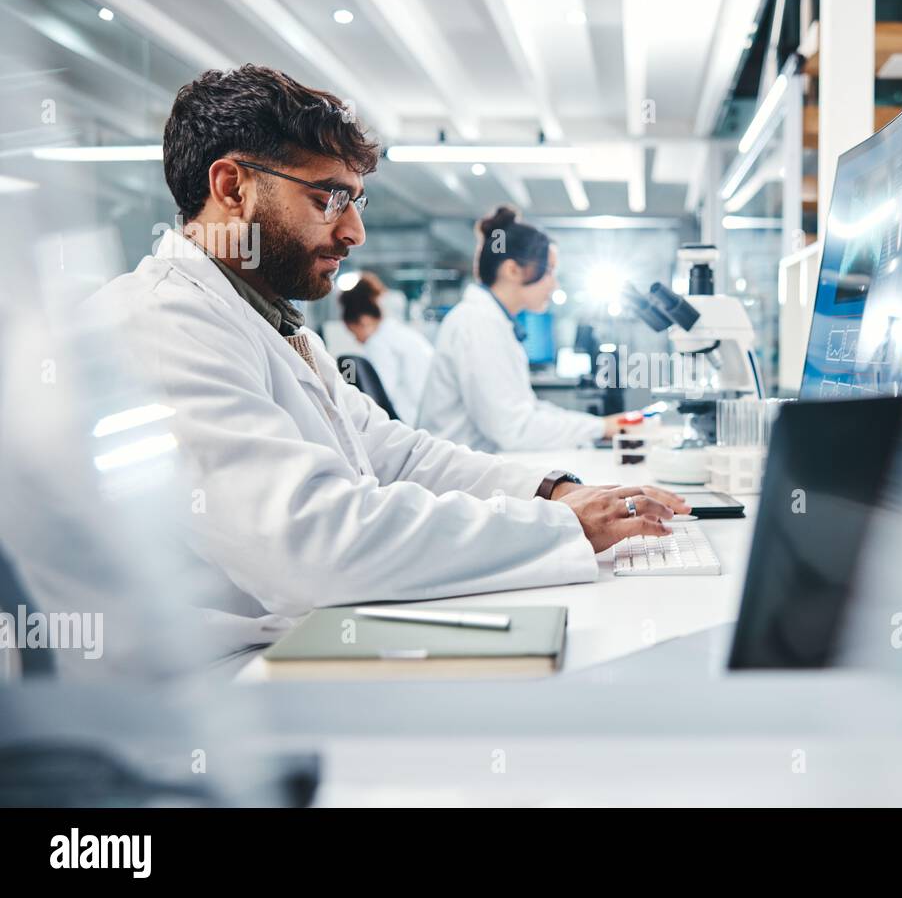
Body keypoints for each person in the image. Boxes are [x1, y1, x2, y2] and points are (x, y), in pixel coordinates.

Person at [82, 65, 687, 661]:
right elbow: (311, 547)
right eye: (330, 198)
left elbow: (398, 455)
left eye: (357, 200)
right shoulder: (161, 323)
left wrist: (552, 492)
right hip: (209, 687)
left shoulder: (269, 320)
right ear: (232, 187)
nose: (355, 231)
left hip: (288, 643)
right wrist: (564, 528)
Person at [419, 206, 624, 452]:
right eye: (548, 270)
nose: (554, 283)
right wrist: (600, 428)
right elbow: (514, 430)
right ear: (512, 270)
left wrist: (599, 426)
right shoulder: (478, 324)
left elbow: (527, 409)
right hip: (463, 476)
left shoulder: (491, 320)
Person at [339, 275, 434, 424]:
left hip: (409, 422)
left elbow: (377, 397)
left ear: (364, 320)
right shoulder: (400, 334)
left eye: (353, 332)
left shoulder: (378, 343)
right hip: (426, 421)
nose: (356, 340)